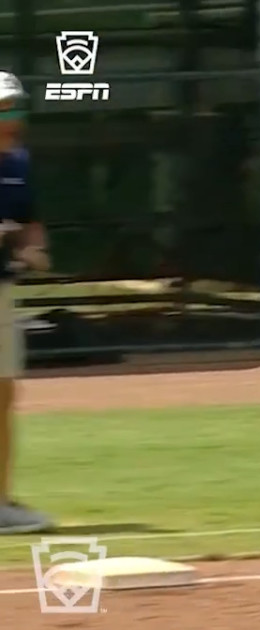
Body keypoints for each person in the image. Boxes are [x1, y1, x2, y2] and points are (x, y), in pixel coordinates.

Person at [0, 72, 54, 534]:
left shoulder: (18, 161)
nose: (12, 115)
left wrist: (33, 246)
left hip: (1, 291)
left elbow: (29, 220)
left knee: (3, 393)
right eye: (3, 107)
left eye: (15, 105)